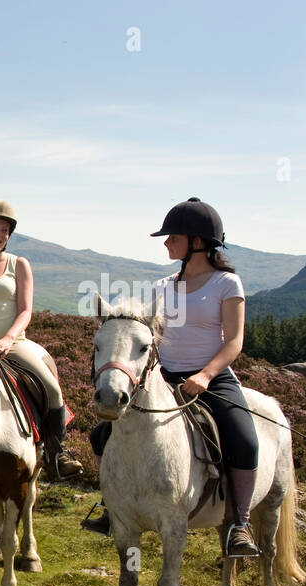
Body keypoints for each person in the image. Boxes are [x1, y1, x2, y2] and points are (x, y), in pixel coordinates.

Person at [83, 198, 260, 558]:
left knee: (245, 440)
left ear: (197, 241)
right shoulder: (162, 285)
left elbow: (235, 341)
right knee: (103, 433)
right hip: (162, 378)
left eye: (172, 237)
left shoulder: (228, 284)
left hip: (212, 378)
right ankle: (111, 504)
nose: (166, 244)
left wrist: (207, 376)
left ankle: (238, 525)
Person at [0, 200, 83, 479]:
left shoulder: (18, 265)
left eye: (4, 230)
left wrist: (9, 338)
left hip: (14, 345)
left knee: (52, 388)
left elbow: (25, 310)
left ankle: (57, 454)